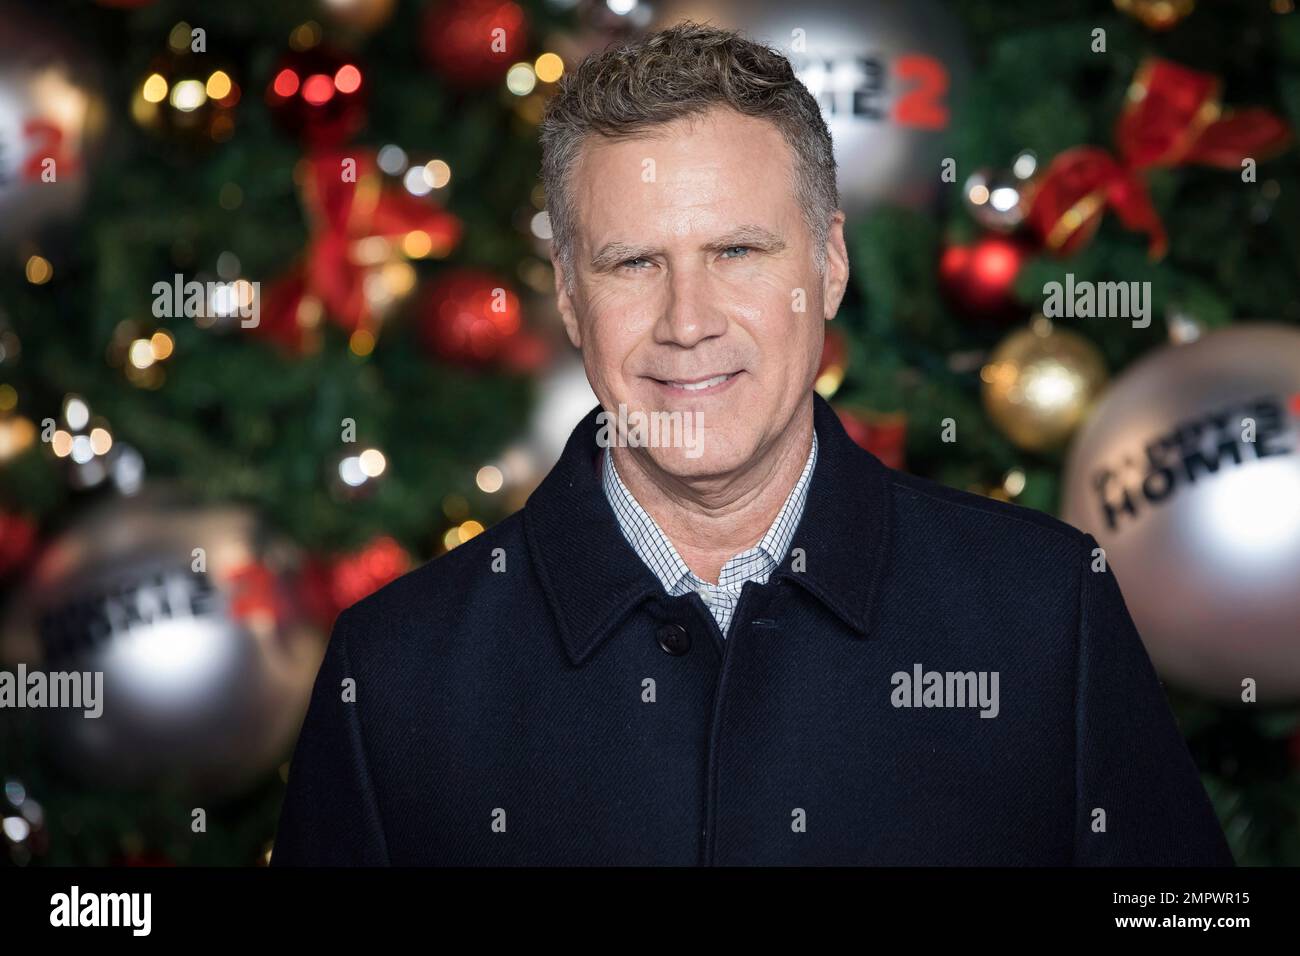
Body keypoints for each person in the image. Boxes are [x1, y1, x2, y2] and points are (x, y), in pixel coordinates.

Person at [271, 22, 1232, 866]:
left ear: (829, 264)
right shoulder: (393, 675)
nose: (688, 322)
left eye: (737, 252)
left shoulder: (1045, 611)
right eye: (635, 262)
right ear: (568, 294)